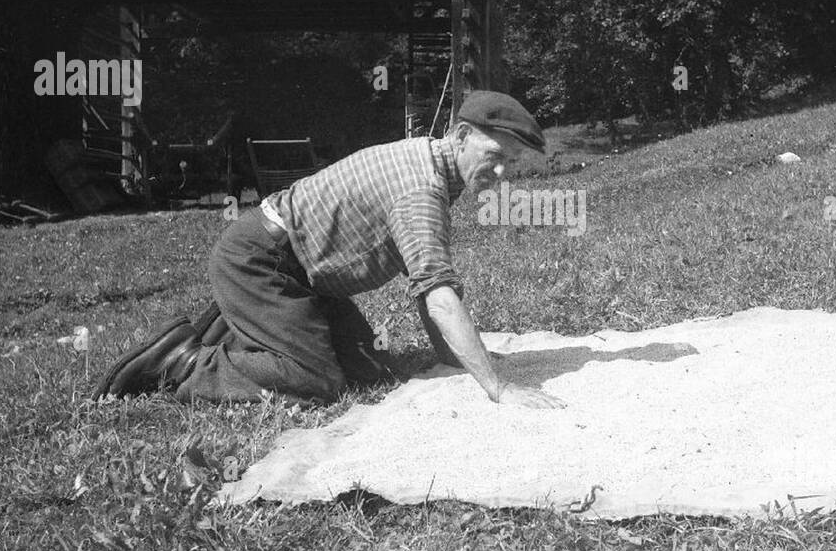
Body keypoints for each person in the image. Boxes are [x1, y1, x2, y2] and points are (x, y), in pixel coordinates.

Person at [92, 91, 564, 411]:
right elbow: (437, 294)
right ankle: (187, 360)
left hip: (302, 274)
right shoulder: (420, 190)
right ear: (460, 136)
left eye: (510, 162)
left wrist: (455, 360)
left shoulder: (433, 161)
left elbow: (426, 285)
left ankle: (241, 328)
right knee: (314, 379)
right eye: (494, 156)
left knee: (368, 367)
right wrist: (497, 387)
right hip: (262, 263)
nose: (501, 173)